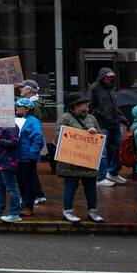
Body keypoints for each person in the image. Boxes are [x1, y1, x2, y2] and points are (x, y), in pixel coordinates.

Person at [56, 93, 105, 223]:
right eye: (84, 103)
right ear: (75, 106)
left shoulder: (92, 118)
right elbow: (58, 139)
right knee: (71, 186)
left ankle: (93, 211)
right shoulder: (64, 119)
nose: (87, 105)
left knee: (91, 187)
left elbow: (100, 137)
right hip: (71, 162)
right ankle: (67, 211)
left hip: (88, 161)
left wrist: (96, 133)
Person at [89, 67, 128, 185]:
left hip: (114, 124)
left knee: (118, 148)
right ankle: (100, 178)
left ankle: (113, 173)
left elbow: (114, 107)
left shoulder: (112, 88)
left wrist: (123, 119)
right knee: (103, 152)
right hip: (102, 125)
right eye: (107, 76)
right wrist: (103, 115)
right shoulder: (94, 88)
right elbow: (90, 106)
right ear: (102, 76)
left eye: (111, 77)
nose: (109, 78)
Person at [0, 119, 22, 222]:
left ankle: (14, 213)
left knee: (11, 188)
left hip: (7, 161)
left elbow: (14, 142)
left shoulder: (11, 126)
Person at [15, 97, 44, 215]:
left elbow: (38, 139)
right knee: (20, 181)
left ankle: (28, 206)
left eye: (19, 106)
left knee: (28, 182)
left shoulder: (33, 121)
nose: (16, 108)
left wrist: (32, 155)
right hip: (18, 156)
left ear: (27, 109)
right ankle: (23, 203)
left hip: (27, 157)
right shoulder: (17, 119)